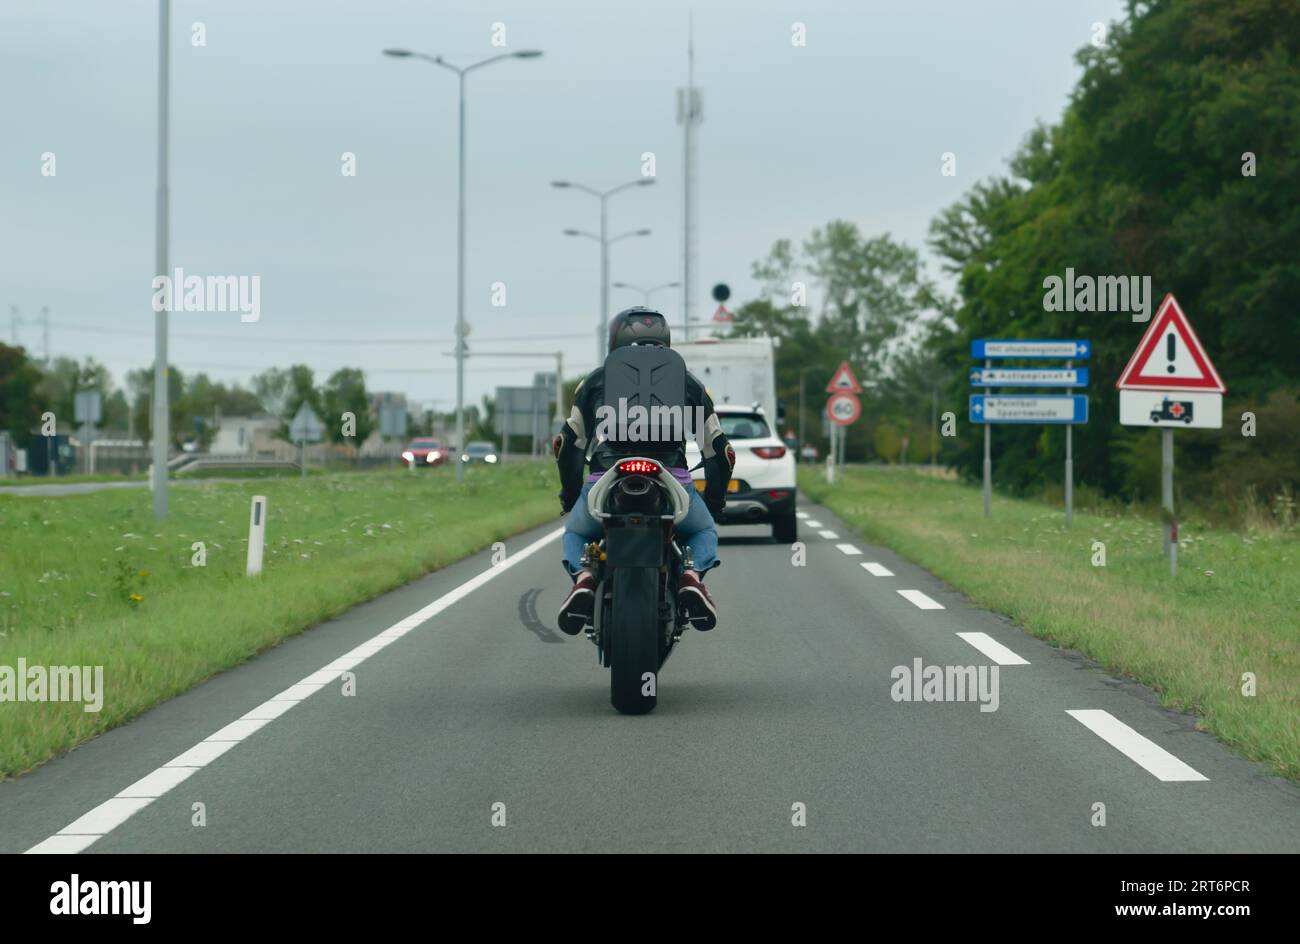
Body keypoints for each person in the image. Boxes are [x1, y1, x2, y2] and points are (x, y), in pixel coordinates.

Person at [553, 307, 734, 636]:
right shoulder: (690, 383)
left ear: (615, 338)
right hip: (672, 478)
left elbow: (569, 445)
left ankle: (584, 579)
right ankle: (691, 578)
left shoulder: (594, 381)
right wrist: (714, 503)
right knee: (703, 530)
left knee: (577, 533)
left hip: (607, 477)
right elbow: (719, 451)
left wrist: (569, 494)